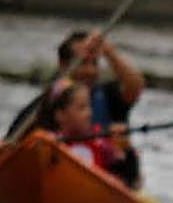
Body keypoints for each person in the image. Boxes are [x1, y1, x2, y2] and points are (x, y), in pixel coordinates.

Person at [8, 30, 146, 187]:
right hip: (56, 180)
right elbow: (9, 146)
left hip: (106, 180)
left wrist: (108, 51)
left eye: (94, 63)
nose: (90, 71)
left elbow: (135, 86)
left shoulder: (109, 97)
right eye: (83, 63)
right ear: (63, 66)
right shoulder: (42, 107)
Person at [37, 79, 126, 174]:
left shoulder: (100, 141)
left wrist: (119, 144)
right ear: (60, 115)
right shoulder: (49, 143)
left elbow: (120, 160)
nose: (90, 113)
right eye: (82, 107)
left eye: (89, 106)